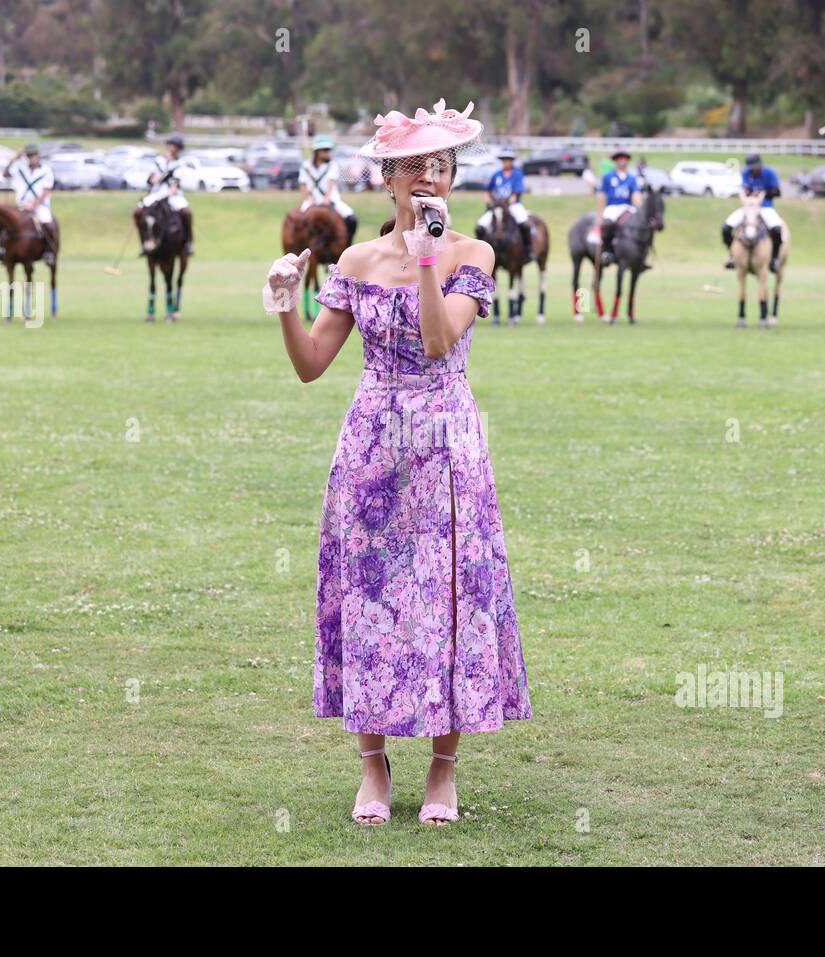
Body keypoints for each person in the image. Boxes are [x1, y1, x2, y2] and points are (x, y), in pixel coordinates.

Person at [261, 98, 532, 828]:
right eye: (416, 168)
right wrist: (287, 305)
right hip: (373, 441)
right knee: (370, 594)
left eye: (442, 168)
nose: (430, 179)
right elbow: (313, 363)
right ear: (388, 181)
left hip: (446, 437)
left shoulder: (472, 255)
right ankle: (372, 766)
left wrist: (425, 262)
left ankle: (443, 769)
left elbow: (442, 343)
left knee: (447, 595)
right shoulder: (353, 261)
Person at [722, 153, 787, 272]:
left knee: (777, 229)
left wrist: (763, 193)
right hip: (748, 208)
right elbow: (744, 189)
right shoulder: (746, 173)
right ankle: (732, 256)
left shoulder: (770, 173)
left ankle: (774, 259)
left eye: (756, 167)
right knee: (726, 228)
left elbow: (777, 192)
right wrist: (747, 193)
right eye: (752, 168)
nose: (754, 170)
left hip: (765, 207)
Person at [136, 132, 194, 255]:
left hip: (173, 196)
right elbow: (151, 178)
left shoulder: (180, 164)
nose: (173, 148)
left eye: (176, 146)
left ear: (179, 149)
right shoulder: (157, 161)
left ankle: (188, 242)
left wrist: (168, 194)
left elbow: (175, 186)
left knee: (187, 213)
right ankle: (144, 242)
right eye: (171, 145)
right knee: (138, 212)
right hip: (155, 194)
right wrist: (153, 180)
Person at [2, 144, 58, 265]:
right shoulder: (20, 168)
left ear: (38, 156)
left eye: (33, 155)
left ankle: (49, 251)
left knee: (49, 224)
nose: (31, 158)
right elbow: (5, 174)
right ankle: (3, 250)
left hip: (39, 206)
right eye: (29, 156)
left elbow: (46, 191)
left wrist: (33, 205)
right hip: (21, 206)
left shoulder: (46, 170)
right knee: (4, 222)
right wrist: (12, 159)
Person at [474, 148, 534, 260]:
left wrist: (505, 203)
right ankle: (478, 251)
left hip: (513, 205)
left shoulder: (517, 174)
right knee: (480, 226)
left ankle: (528, 249)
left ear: (512, 161)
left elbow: (515, 193)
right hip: (497, 207)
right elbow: (488, 191)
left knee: (524, 223)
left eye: (508, 160)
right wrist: (490, 201)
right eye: (504, 160)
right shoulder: (496, 175)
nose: (506, 162)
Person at [298, 134, 357, 244]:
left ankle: (348, 243)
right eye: (324, 150)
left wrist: (327, 198)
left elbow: (330, 182)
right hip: (311, 200)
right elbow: (303, 184)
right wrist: (307, 199)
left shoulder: (332, 165)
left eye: (328, 150)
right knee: (297, 221)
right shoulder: (306, 166)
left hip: (331, 200)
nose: (327, 153)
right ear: (317, 152)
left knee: (351, 217)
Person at [596, 149, 641, 264]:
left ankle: (641, 254)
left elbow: (636, 195)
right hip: (613, 207)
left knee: (640, 225)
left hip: (627, 207)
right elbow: (602, 196)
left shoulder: (631, 178)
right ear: (616, 160)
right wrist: (600, 215)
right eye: (620, 158)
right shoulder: (608, 177)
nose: (622, 160)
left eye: (624, 158)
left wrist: (639, 209)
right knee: (607, 225)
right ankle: (606, 251)